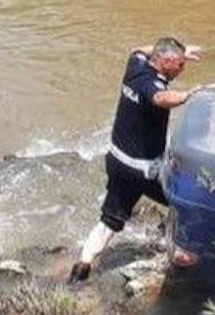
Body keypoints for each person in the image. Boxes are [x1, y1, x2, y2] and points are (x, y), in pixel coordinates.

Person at [68, 37, 202, 283]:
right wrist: (187, 96)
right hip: (142, 171)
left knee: (110, 220)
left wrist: (179, 52)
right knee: (186, 201)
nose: (182, 69)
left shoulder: (135, 66)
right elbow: (161, 99)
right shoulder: (151, 86)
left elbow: (138, 49)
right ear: (165, 62)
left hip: (117, 162)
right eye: (179, 64)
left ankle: (81, 268)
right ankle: (181, 251)